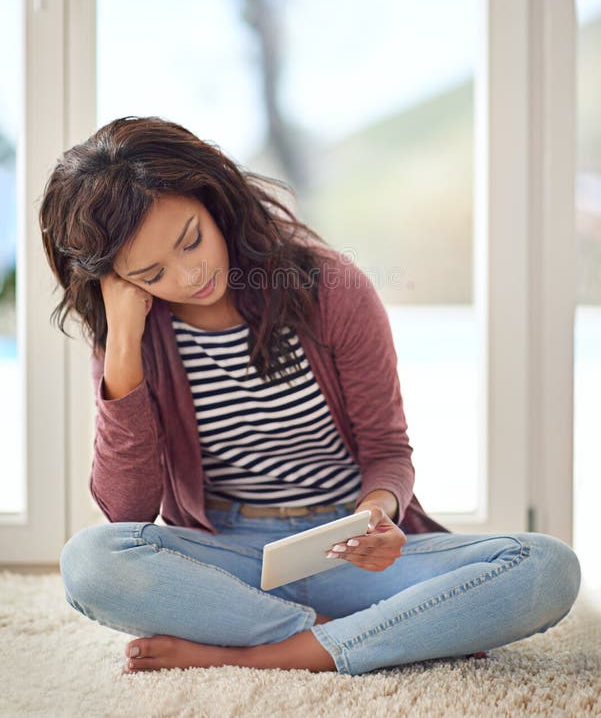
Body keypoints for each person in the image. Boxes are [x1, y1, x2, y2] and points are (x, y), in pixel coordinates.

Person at [39, 116, 581, 676]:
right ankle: (367, 635)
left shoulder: (328, 288)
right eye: (153, 271)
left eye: (192, 239)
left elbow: (387, 449)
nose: (191, 273)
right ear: (117, 281)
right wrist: (122, 343)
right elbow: (127, 511)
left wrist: (376, 515)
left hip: (350, 548)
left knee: (545, 567)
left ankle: (260, 652)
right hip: (230, 561)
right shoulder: (132, 333)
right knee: (89, 562)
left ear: (213, 199)